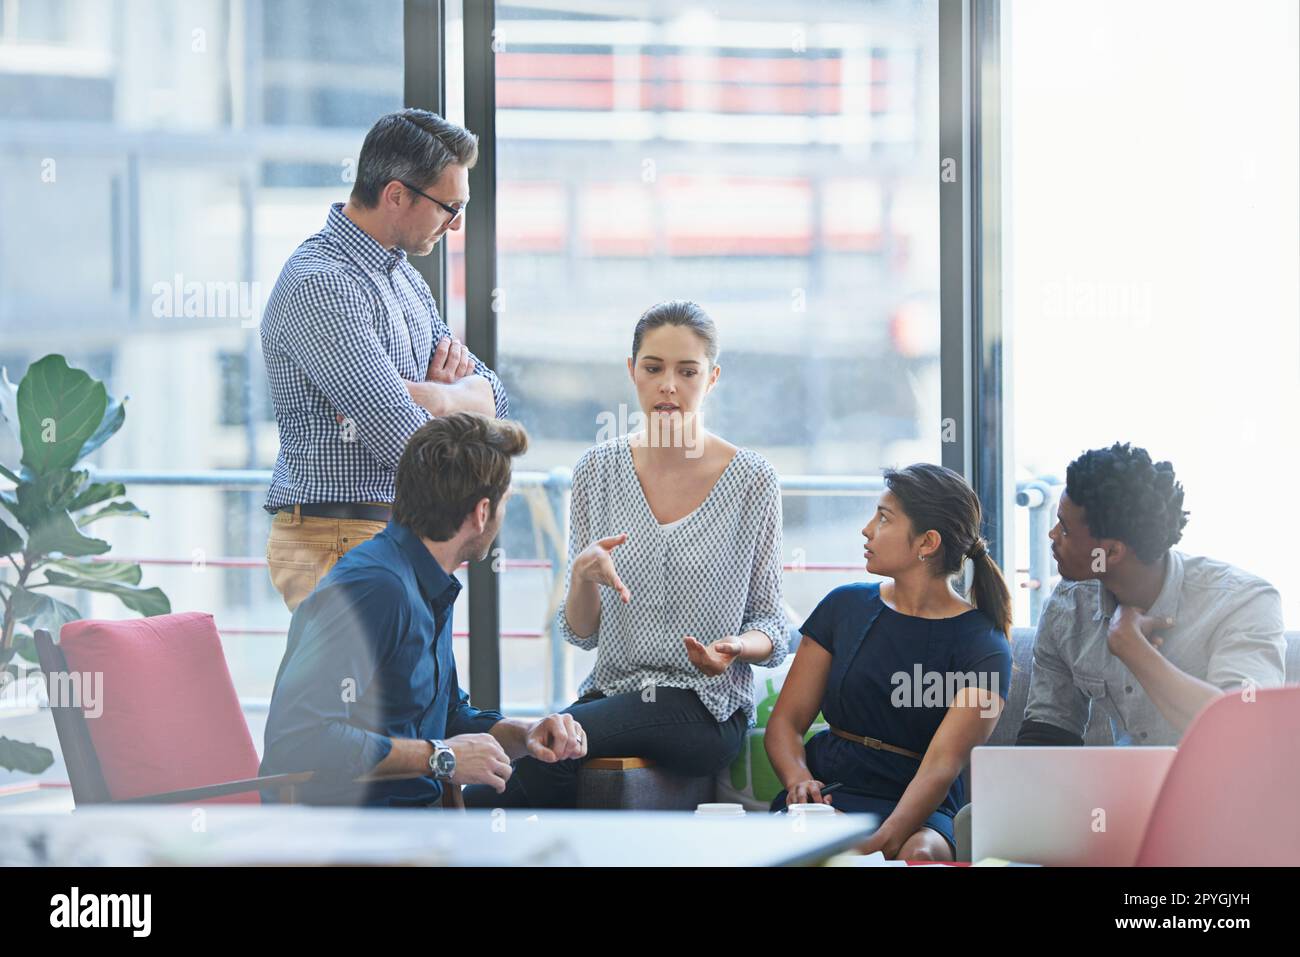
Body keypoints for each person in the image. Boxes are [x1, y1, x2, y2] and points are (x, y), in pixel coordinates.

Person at [464, 300, 788, 808]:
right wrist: (581, 579)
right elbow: (581, 632)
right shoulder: (596, 469)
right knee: (558, 754)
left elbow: (773, 623)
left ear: (713, 377)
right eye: (653, 368)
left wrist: (733, 649)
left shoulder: (752, 480)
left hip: (705, 708)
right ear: (631, 370)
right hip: (611, 698)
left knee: (550, 742)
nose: (668, 386)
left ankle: (455, 818)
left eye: (688, 371)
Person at [260, 413, 585, 807]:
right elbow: (300, 739)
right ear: (482, 512)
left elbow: (442, 716)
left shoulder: (425, 577)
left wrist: (525, 734)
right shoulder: (376, 588)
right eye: (506, 503)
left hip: (415, 826)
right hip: (349, 835)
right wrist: (440, 757)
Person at [261, 108, 508, 612]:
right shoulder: (323, 284)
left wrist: (435, 396)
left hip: (388, 533)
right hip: (340, 536)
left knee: (413, 693)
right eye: (448, 207)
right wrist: (451, 410)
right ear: (396, 195)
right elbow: (405, 443)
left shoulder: (403, 279)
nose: (455, 225)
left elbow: (496, 398)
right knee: (365, 693)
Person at [765, 464, 1012, 861]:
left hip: (920, 805)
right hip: (831, 788)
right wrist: (800, 783)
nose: (866, 529)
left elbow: (942, 764)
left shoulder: (984, 644)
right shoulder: (842, 607)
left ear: (927, 543)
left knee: (922, 853)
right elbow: (785, 725)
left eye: (883, 518)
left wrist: (882, 840)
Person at [1017, 442, 1285, 748]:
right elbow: (1048, 730)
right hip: (1128, 788)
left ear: (1112, 551)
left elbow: (1241, 731)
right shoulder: (1068, 605)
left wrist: (1132, 648)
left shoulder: (1243, 602)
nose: (1052, 535)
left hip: (1227, 789)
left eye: (1064, 529)